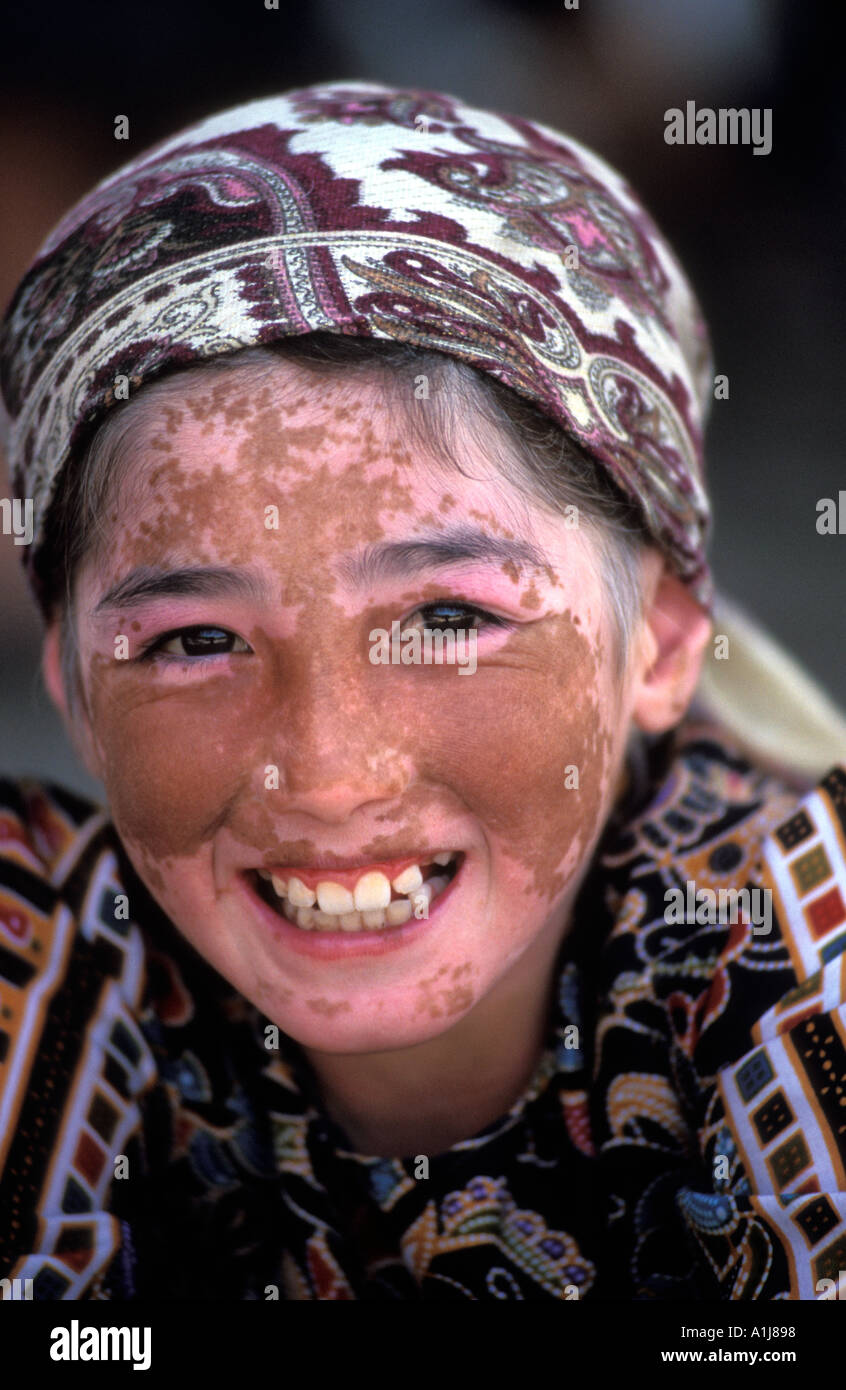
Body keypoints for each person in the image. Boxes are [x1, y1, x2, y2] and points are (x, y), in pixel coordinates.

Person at [0, 80, 844, 1302]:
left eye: (449, 618)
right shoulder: (50, 959)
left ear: (658, 646)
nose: (330, 772)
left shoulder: (795, 952)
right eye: (193, 641)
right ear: (74, 688)